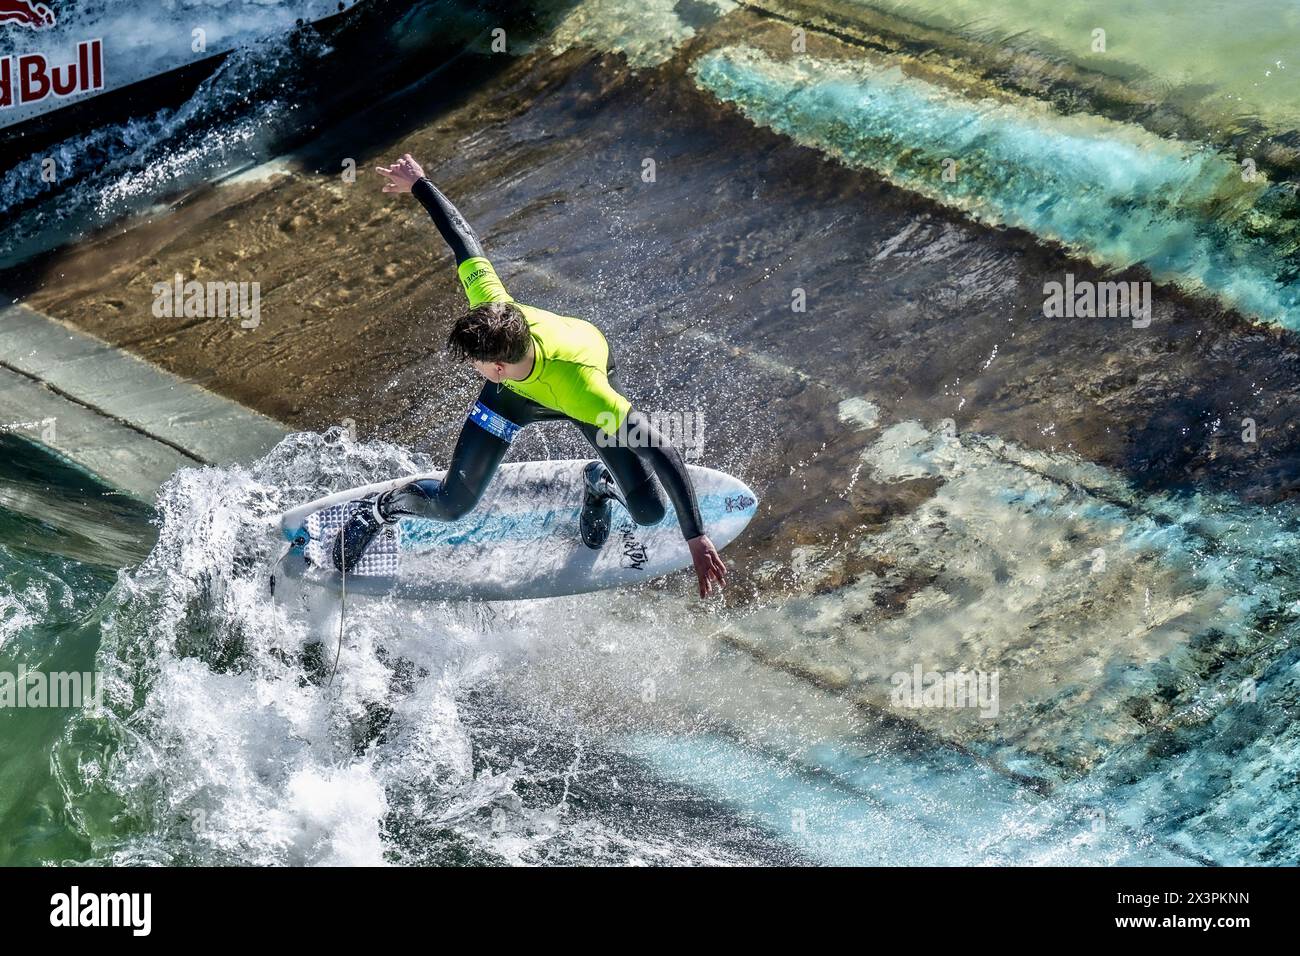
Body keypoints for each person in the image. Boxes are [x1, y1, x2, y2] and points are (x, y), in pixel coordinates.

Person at [331, 154, 727, 598]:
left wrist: (696, 536)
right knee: (451, 505)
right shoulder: (492, 306)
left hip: (573, 386)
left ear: (496, 367)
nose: (473, 370)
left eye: (476, 365)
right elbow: (464, 241)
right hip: (513, 399)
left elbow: (661, 448)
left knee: (650, 513)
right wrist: (420, 184)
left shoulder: (588, 394)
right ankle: (380, 510)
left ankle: (597, 484)